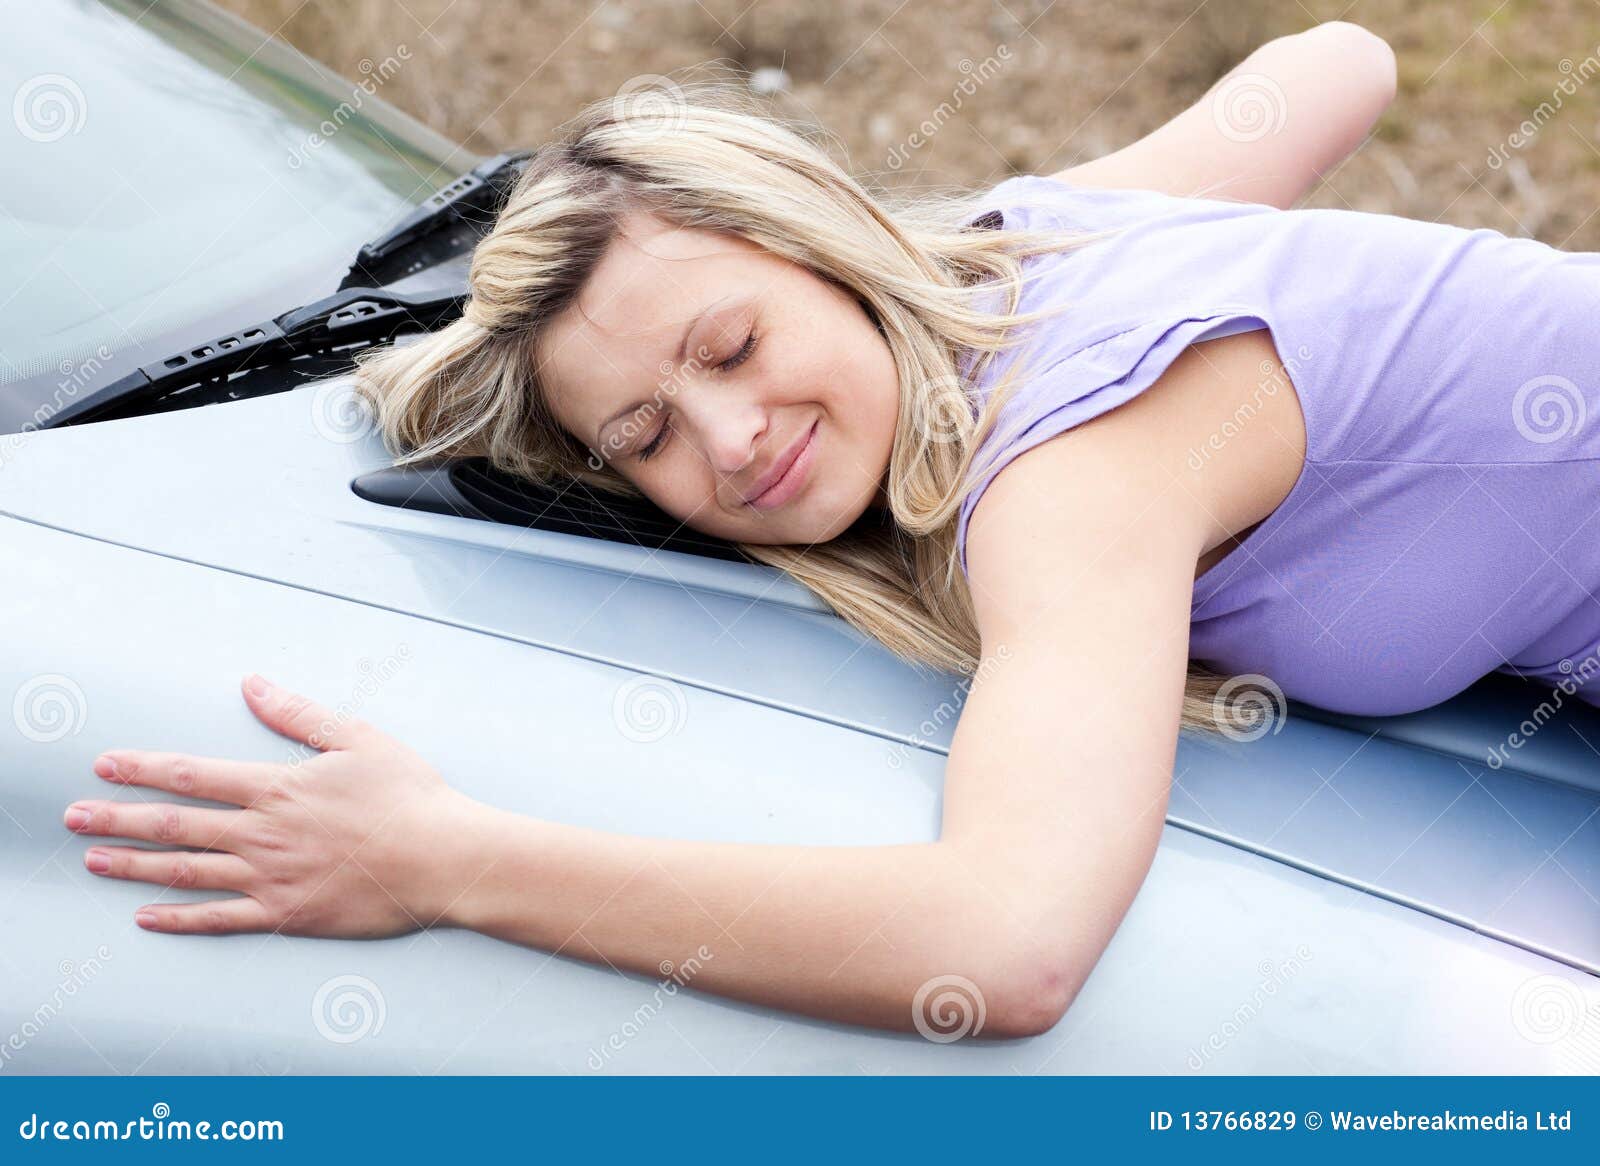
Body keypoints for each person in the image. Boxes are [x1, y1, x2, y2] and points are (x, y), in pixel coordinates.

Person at [73, 20, 1563, 1039]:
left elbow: (1005, 946)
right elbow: (1336, 63)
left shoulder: (1073, 473)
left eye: (731, 344)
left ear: (829, 249)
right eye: (642, 436)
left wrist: (447, 862)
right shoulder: (1027, 241)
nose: (731, 442)